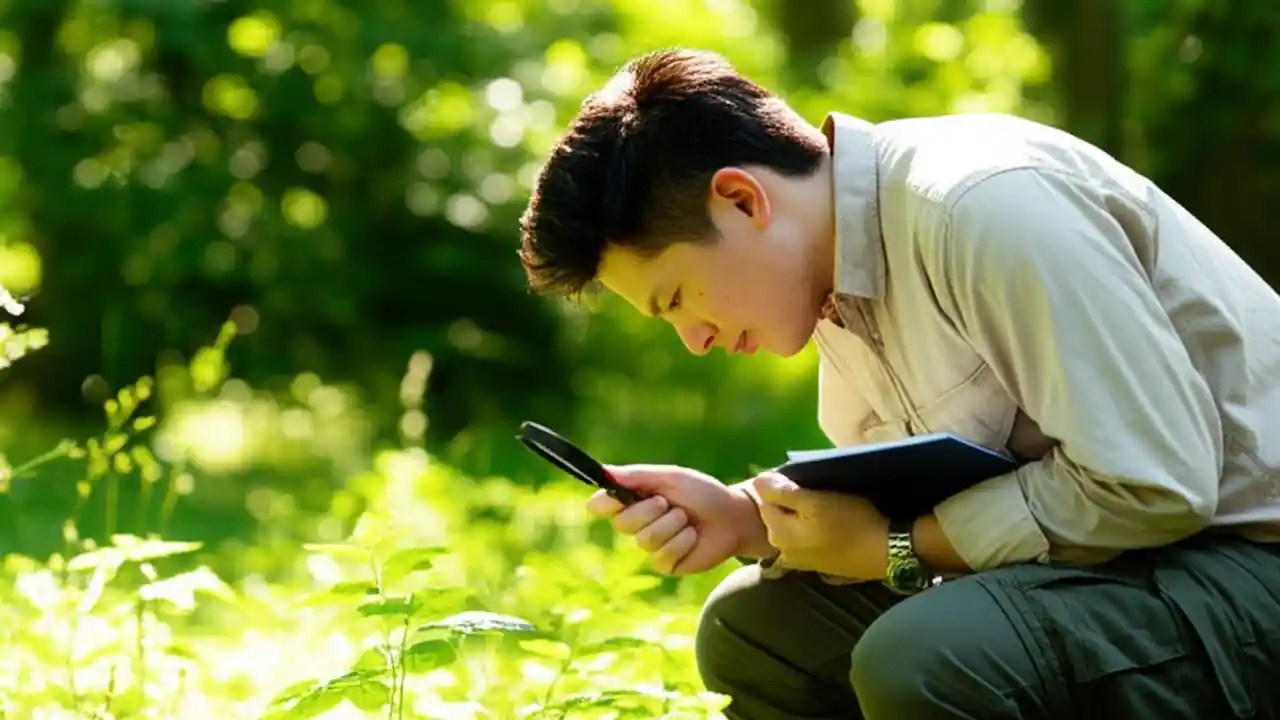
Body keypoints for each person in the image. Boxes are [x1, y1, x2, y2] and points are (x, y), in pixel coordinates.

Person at [515, 48, 1280, 719]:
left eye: (676, 298)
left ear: (743, 200)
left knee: (926, 654)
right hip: (1148, 561)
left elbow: (1155, 483)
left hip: (1246, 558)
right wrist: (750, 518)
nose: (694, 339)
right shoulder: (835, 278)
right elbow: (947, 469)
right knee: (756, 633)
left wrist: (900, 549)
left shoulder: (982, 209)